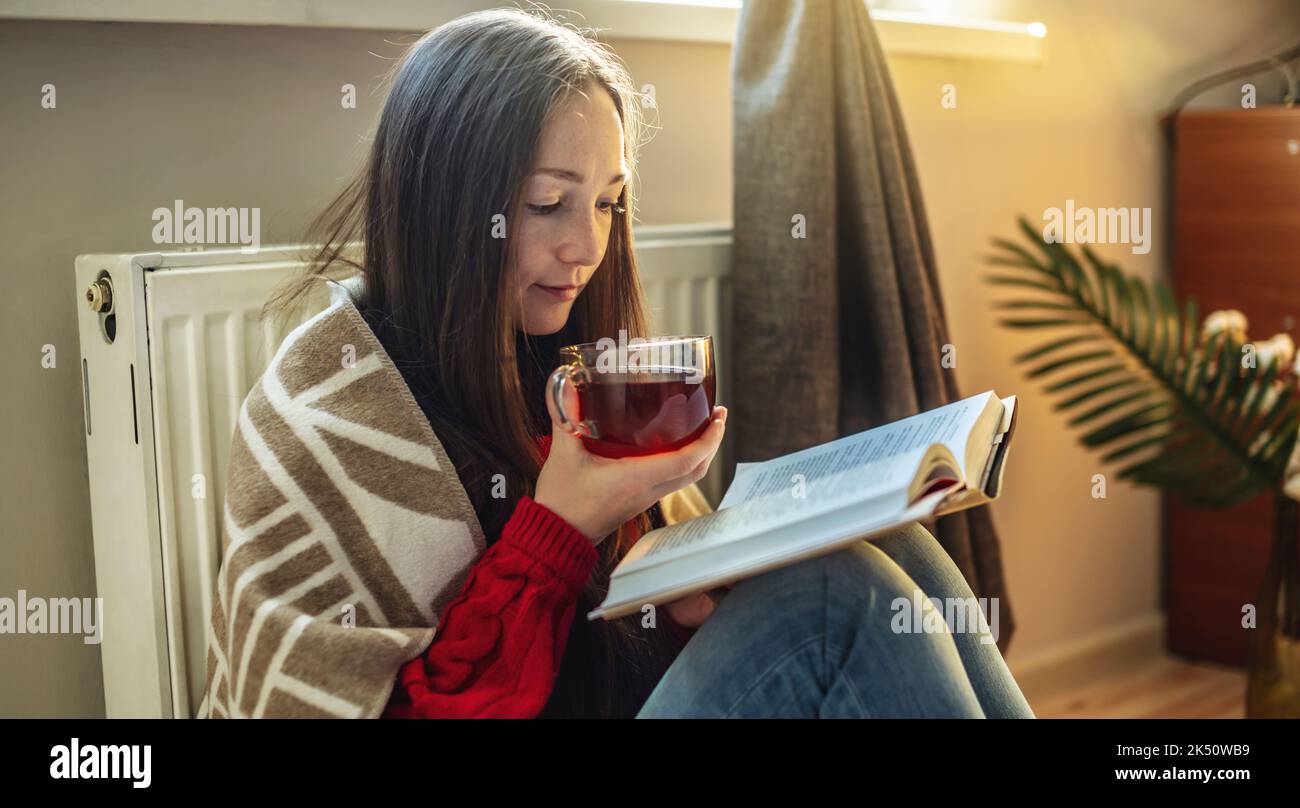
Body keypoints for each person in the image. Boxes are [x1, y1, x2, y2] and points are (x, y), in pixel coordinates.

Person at [262, 7, 1035, 719]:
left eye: (607, 202)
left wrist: (674, 596)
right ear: (445, 202)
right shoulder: (340, 411)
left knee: (890, 545)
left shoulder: (551, 360)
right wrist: (561, 527)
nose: (589, 249)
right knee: (837, 601)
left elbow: (599, 651)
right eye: (545, 204)